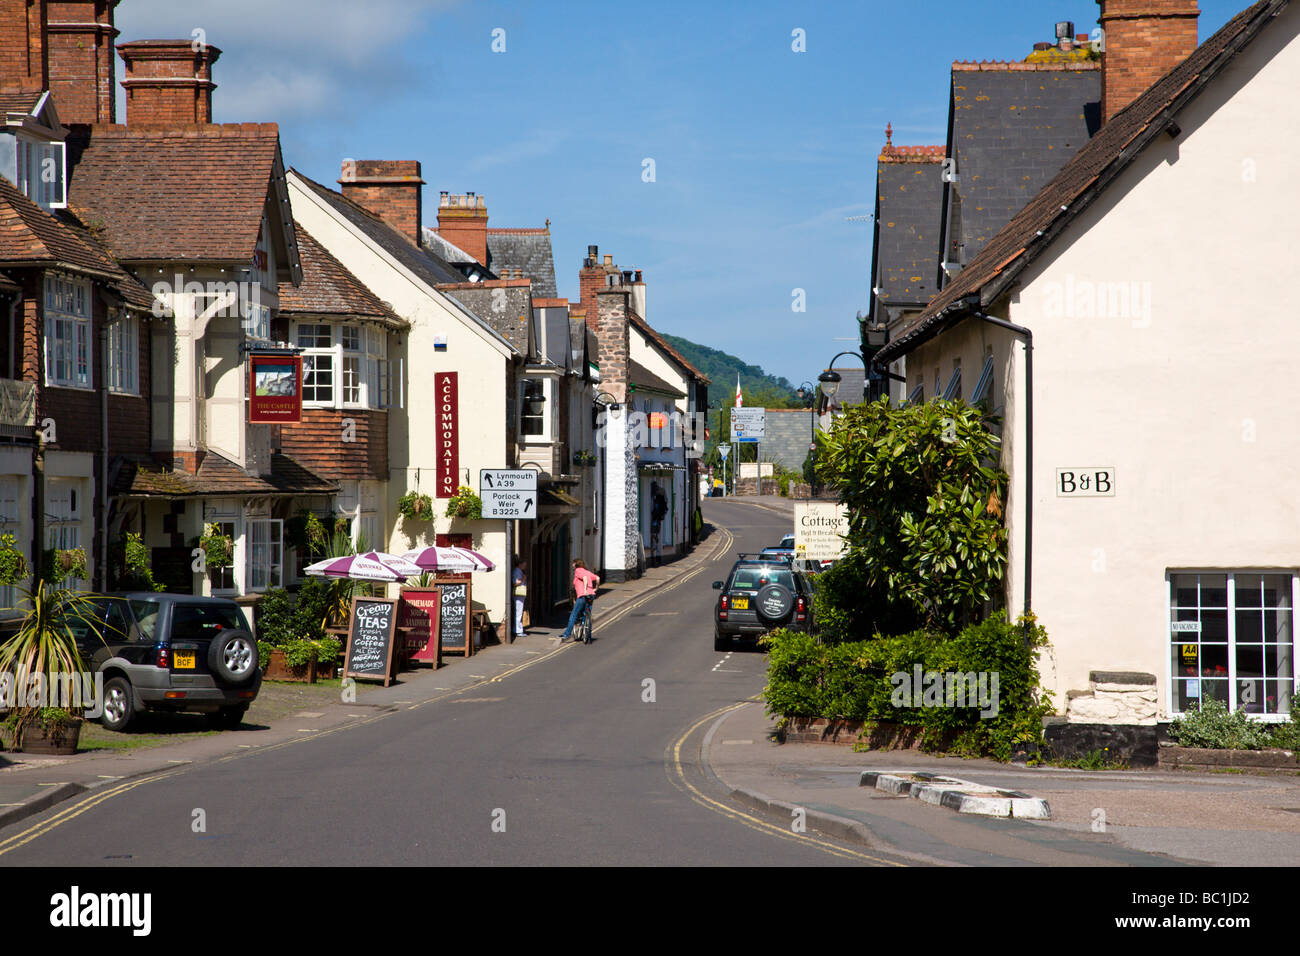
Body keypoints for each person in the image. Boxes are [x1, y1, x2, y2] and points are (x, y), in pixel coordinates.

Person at [560, 559, 600, 643]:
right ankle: (587, 633)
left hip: (582, 595)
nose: (572, 565)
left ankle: (567, 634)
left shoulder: (578, 571)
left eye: (573, 563)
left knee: (573, 615)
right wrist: (596, 588)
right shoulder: (587, 571)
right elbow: (597, 578)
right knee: (587, 613)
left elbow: (584, 578)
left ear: (576, 564)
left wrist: (585, 590)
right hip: (591, 595)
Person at [650, 482, 668, 567]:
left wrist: (657, 516)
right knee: (655, 536)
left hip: (656, 520)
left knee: (655, 536)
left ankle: (656, 558)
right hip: (657, 519)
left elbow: (661, 509)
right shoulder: (659, 498)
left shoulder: (658, 499)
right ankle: (655, 558)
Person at [512, 558, 527, 637]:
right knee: (518, 612)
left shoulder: (519, 571)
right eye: (524, 564)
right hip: (518, 594)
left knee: (519, 612)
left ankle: (518, 629)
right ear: (520, 564)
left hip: (520, 595)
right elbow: (516, 582)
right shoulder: (517, 571)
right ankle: (517, 630)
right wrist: (523, 579)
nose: (525, 566)